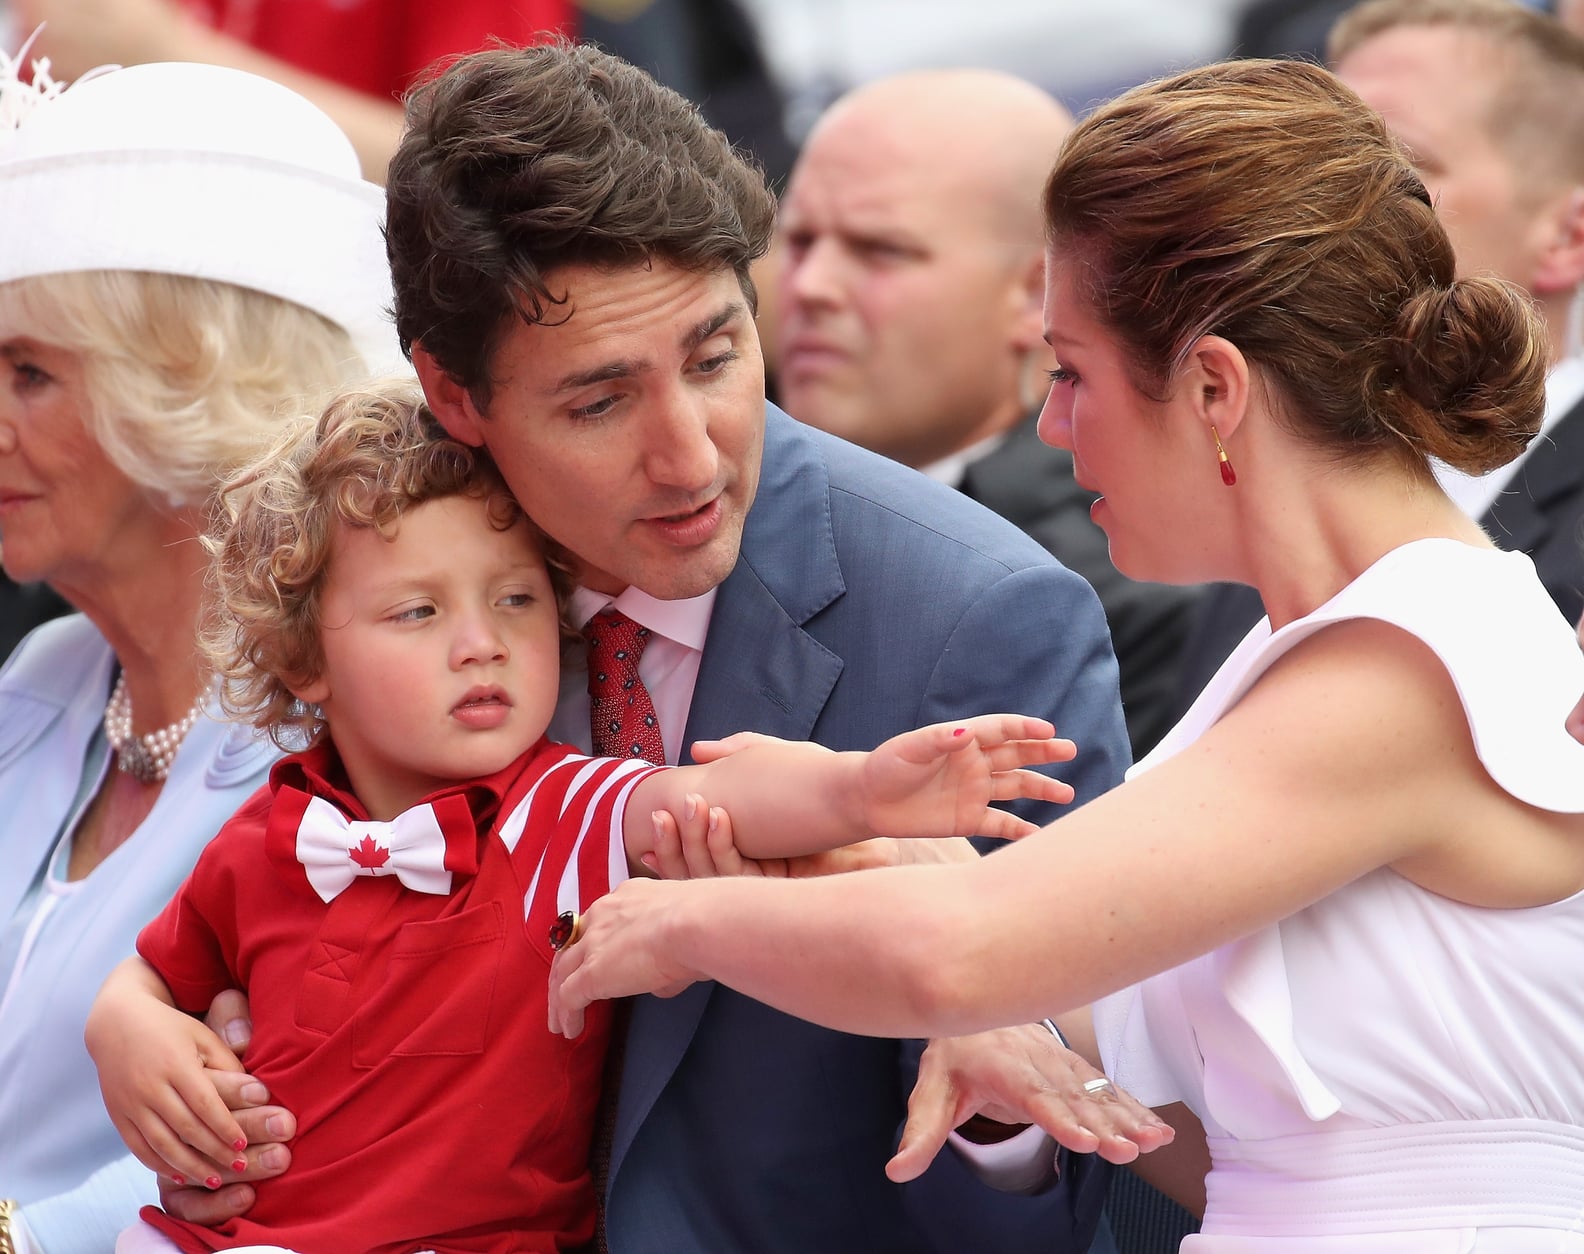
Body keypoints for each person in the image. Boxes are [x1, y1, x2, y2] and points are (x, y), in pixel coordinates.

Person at [546, 56, 1584, 1250]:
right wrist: (884, 863)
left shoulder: (1413, 658)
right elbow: (1237, 1151)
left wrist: (667, 922)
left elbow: (967, 953)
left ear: (1211, 389)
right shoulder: (1310, 661)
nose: (1049, 424)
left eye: (1070, 371)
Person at [160, 38, 1143, 1254]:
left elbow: (1086, 1190)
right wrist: (179, 1068)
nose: (692, 456)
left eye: (718, 358)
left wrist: (1008, 1106)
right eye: (599, 401)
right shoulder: (381, 566)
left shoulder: (979, 615)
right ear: (454, 397)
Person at [86, 378, 1071, 1253]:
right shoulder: (271, 832)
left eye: (516, 600)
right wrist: (121, 1024)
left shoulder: (560, 808)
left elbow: (710, 796)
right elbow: (163, 967)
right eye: (418, 613)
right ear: (303, 659)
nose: (482, 644)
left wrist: (863, 788)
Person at [0, 55, 392, 1254]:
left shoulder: (338, 745)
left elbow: (275, 1143)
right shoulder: (43, 687)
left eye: (28, 375)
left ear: (189, 396)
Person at [1170, 0, 1584, 709]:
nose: (1316, 213)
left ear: (1567, 239)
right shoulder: (1268, 497)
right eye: (1311, 171)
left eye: (1399, 168)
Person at [777, 66, 1200, 758]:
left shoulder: (1119, 589)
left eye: (880, 249)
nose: (812, 287)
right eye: (799, 242)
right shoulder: (714, 513)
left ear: (1039, 292)